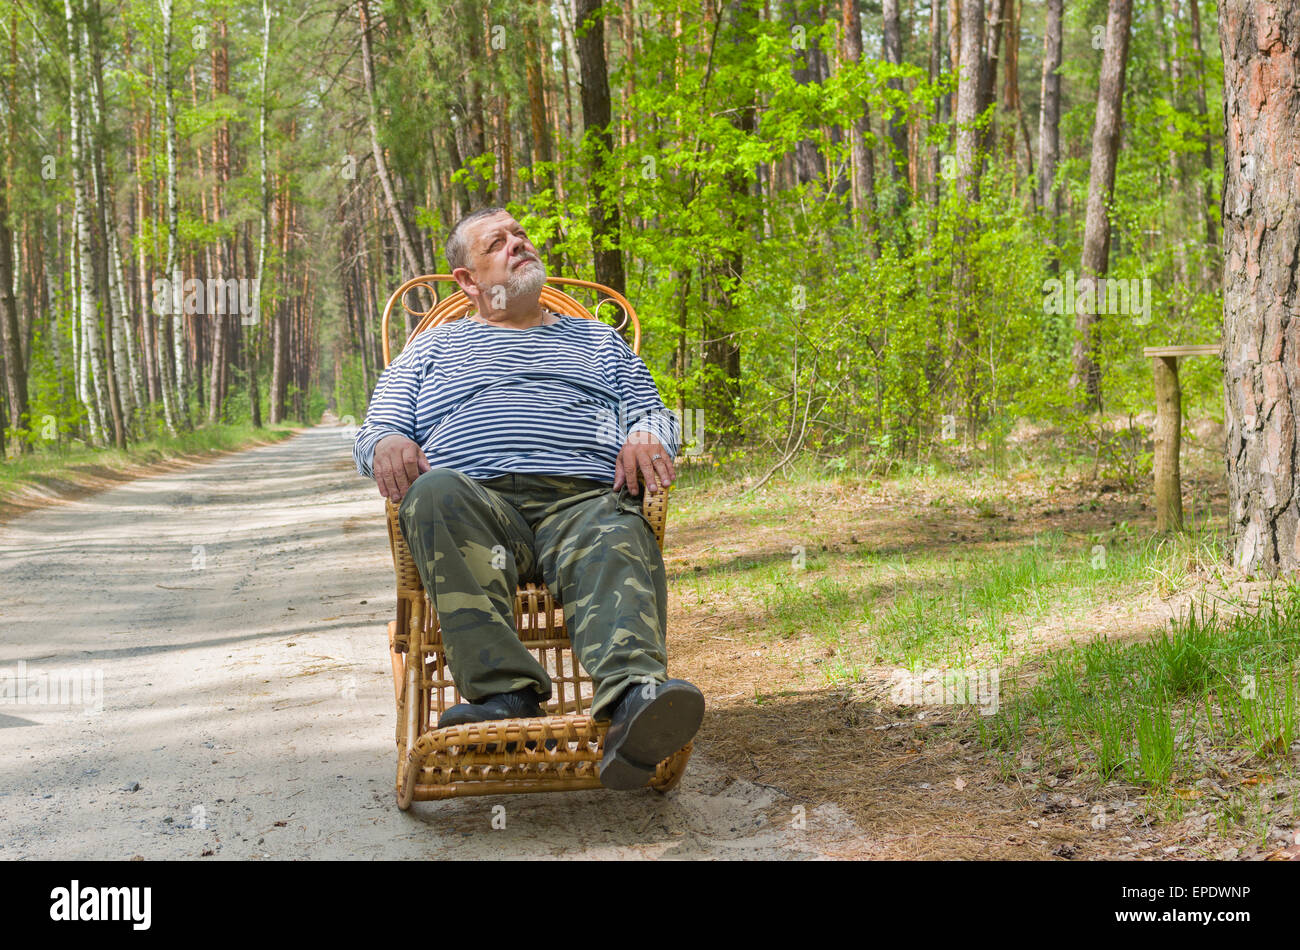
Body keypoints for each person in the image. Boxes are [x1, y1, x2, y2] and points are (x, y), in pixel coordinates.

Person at [352, 207, 704, 790]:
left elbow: (652, 411)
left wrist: (646, 434)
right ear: (467, 280)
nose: (519, 244)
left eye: (521, 236)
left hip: (582, 504)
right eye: (498, 242)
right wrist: (389, 440)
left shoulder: (598, 340)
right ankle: (504, 699)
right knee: (433, 492)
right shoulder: (430, 352)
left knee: (618, 528)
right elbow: (376, 431)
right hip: (477, 512)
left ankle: (633, 707)